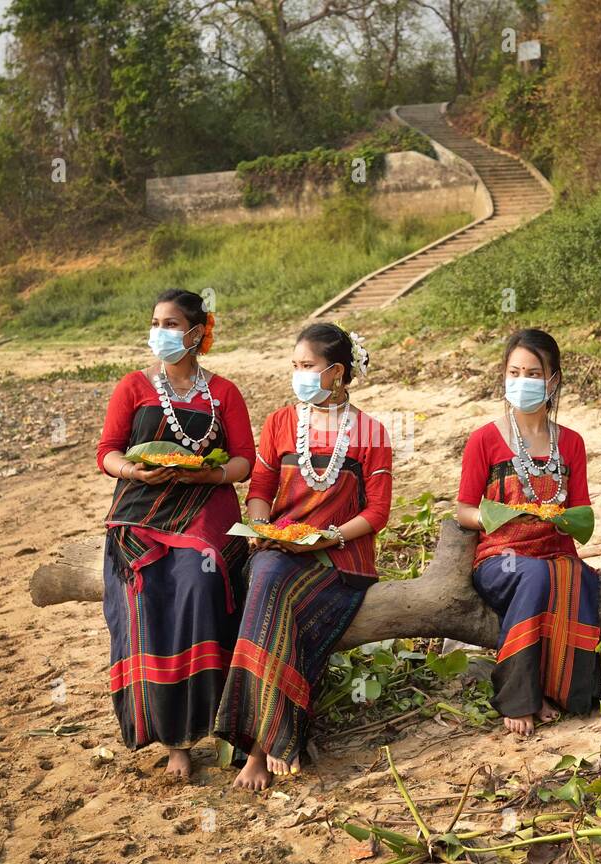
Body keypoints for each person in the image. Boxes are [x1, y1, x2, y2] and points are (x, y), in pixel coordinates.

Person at [215, 323, 392, 790]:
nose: (298, 375)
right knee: (266, 573)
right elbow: (260, 490)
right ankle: (269, 737)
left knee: (270, 584)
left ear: (335, 373)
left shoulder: (371, 433)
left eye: (307, 366)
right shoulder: (279, 423)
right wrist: (259, 528)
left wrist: (328, 538)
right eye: (294, 366)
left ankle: (256, 743)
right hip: (279, 548)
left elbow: (377, 512)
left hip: (341, 561)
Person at [95, 289, 255, 779]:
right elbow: (107, 451)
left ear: (195, 332)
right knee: (143, 594)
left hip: (205, 511)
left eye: (170, 324)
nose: (160, 332)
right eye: (155, 322)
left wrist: (206, 475)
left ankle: (213, 721)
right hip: (139, 512)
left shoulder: (223, 392)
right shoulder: (133, 387)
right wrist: (134, 471)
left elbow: (243, 462)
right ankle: (173, 742)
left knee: (198, 583)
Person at [455, 329, 601, 737]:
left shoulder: (570, 443)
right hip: (500, 558)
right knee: (535, 575)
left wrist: (560, 517)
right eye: (514, 372)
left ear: (553, 380)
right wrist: (496, 516)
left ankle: (560, 689)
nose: (522, 381)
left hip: (556, 551)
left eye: (533, 373)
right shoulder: (484, 439)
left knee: (579, 577)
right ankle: (520, 695)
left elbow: (581, 510)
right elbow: (463, 508)